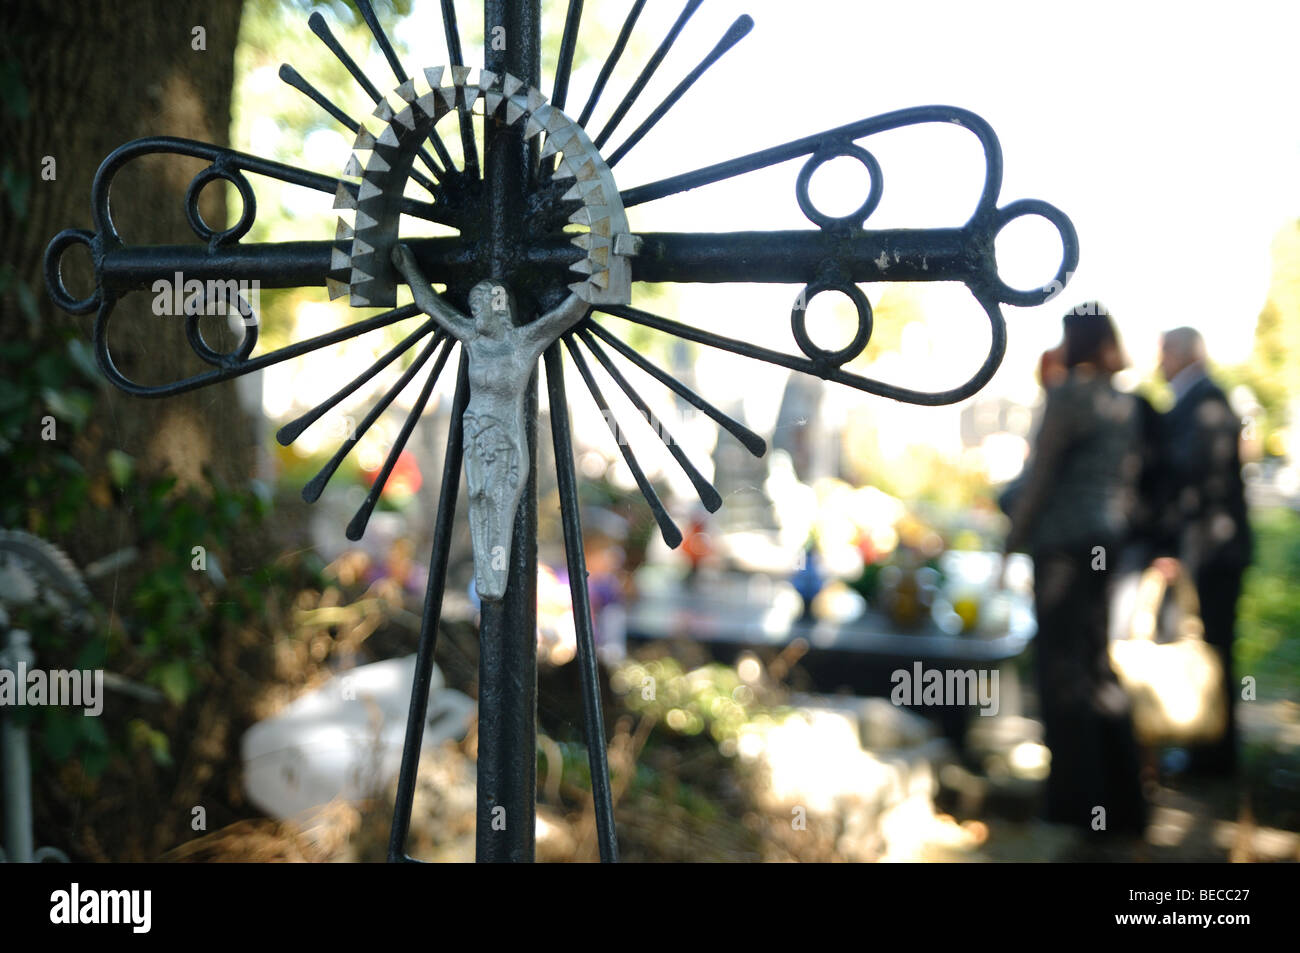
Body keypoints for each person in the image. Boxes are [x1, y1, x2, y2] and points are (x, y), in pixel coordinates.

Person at [1004, 305, 1148, 836]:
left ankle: (1073, 805)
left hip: (1063, 545)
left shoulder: (1070, 396)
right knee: (1096, 667)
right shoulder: (1122, 402)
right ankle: (1122, 806)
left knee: (1062, 673)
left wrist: (1010, 543)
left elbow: (1041, 477)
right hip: (1103, 542)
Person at [1154, 327, 1252, 776]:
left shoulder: (1206, 403)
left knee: (1211, 652)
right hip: (1213, 548)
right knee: (1210, 649)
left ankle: (1212, 756)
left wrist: (1174, 542)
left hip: (1212, 551)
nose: (1159, 362)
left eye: (1163, 353)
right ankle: (1209, 750)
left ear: (1180, 354)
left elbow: (1196, 481)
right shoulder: (1203, 400)